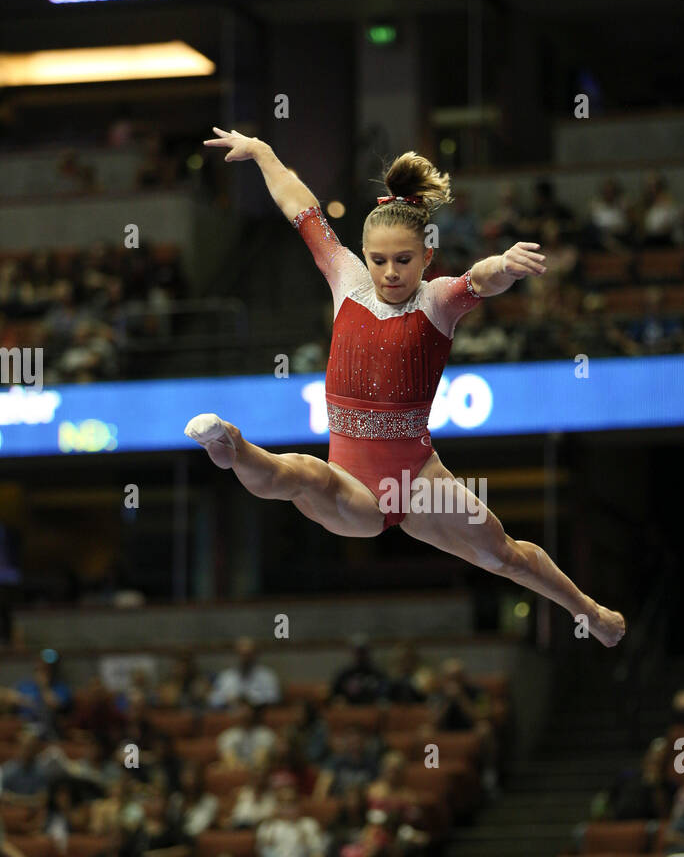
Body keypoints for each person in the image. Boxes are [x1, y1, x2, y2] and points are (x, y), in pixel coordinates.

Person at [186, 131, 625, 648]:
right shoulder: (345, 277)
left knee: (501, 554)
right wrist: (264, 153)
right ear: (365, 255)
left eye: (403, 261)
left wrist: (504, 265)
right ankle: (231, 445)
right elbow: (300, 206)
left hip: (416, 482)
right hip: (353, 480)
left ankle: (589, 610)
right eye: (378, 260)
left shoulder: (436, 301)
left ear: (426, 256)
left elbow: (479, 280)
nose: (389, 272)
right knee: (303, 476)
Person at [207, 637, 281, 709]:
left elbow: (274, 698)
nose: (245, 659)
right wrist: (228, 699)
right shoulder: (227, 676)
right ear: (236, 655)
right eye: (242, 654)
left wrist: (251, 701)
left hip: (258, 716)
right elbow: (213, 699)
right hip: (232, 716)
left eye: (248, 655)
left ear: (255, 655)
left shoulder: (266, 675)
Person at [330, 638, 387, 706]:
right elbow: (335, 695)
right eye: (358, 652)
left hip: (373, 711)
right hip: (350, 712)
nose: (360, 655)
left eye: (363, 652)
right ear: (352, 653)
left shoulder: (379, 674)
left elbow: (386, 695)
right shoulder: (344, 675)